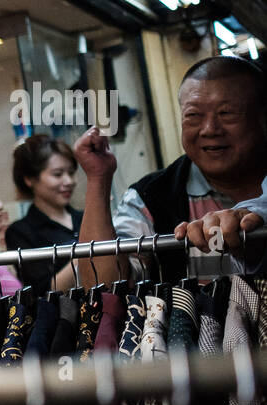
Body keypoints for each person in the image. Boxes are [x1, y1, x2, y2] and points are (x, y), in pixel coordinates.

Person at [74, 56, 267, 284]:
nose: (209, 129)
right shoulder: (152, 198)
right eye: (193, 115)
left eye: (226, 113)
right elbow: (102, 285)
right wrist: (98, 179)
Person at [4, 135, 82, 295]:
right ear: (30, 179)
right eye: (58, 174)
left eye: (71, 173)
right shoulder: (20, 232)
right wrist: (87, 253)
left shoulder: (85, 218)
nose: (69, 181)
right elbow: (43, 291)